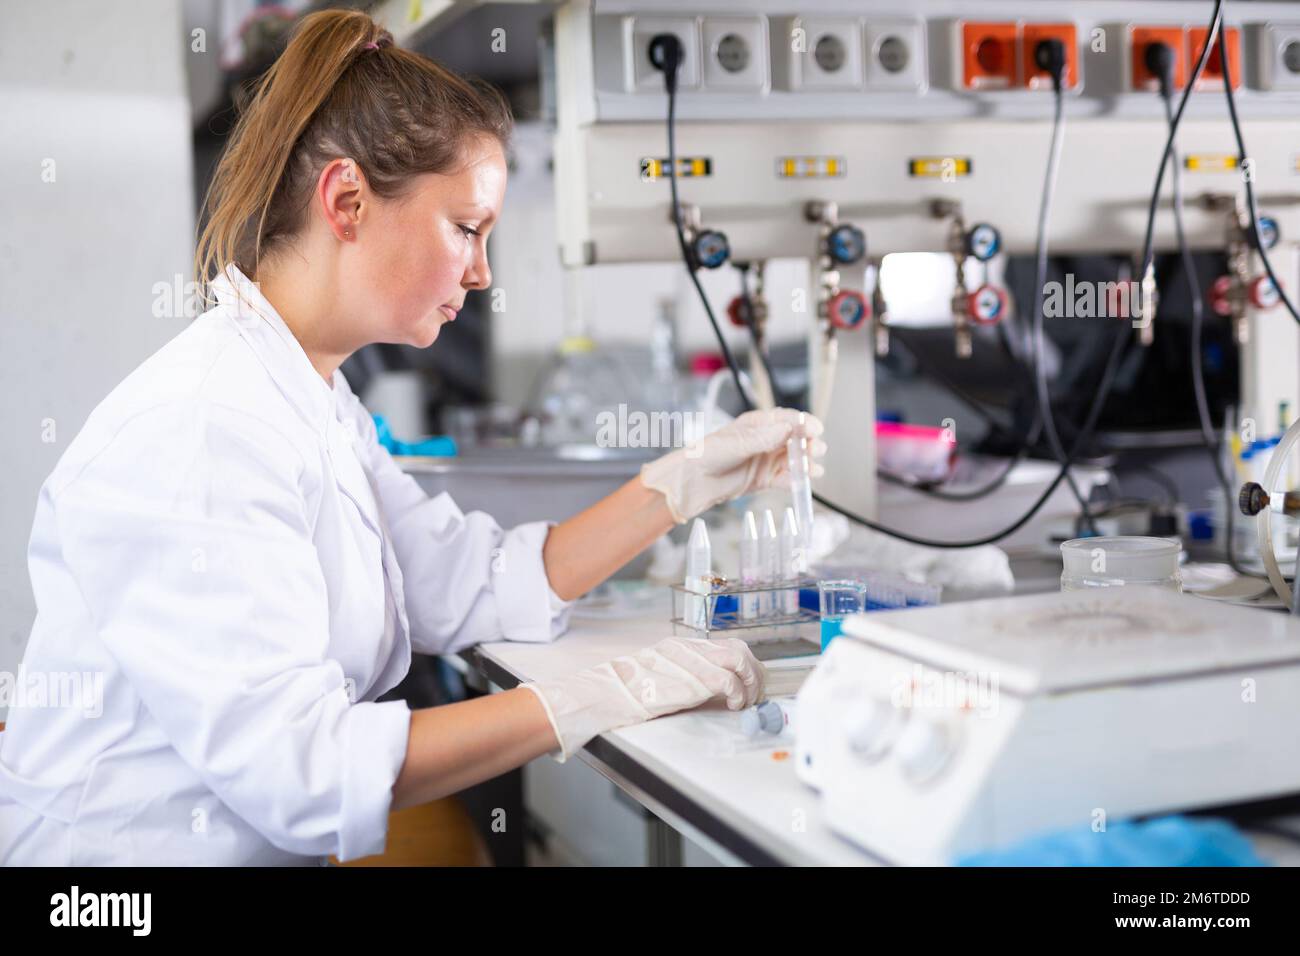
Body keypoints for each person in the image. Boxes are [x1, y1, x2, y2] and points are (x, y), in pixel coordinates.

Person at [0, 9, 825, 865]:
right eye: (466, 229)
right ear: (347, 202)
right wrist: (598, 697)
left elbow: (471, 583)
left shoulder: (314, 399)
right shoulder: (204, 429)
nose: (482, 273)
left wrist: (680, 484)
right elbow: (307, 775)